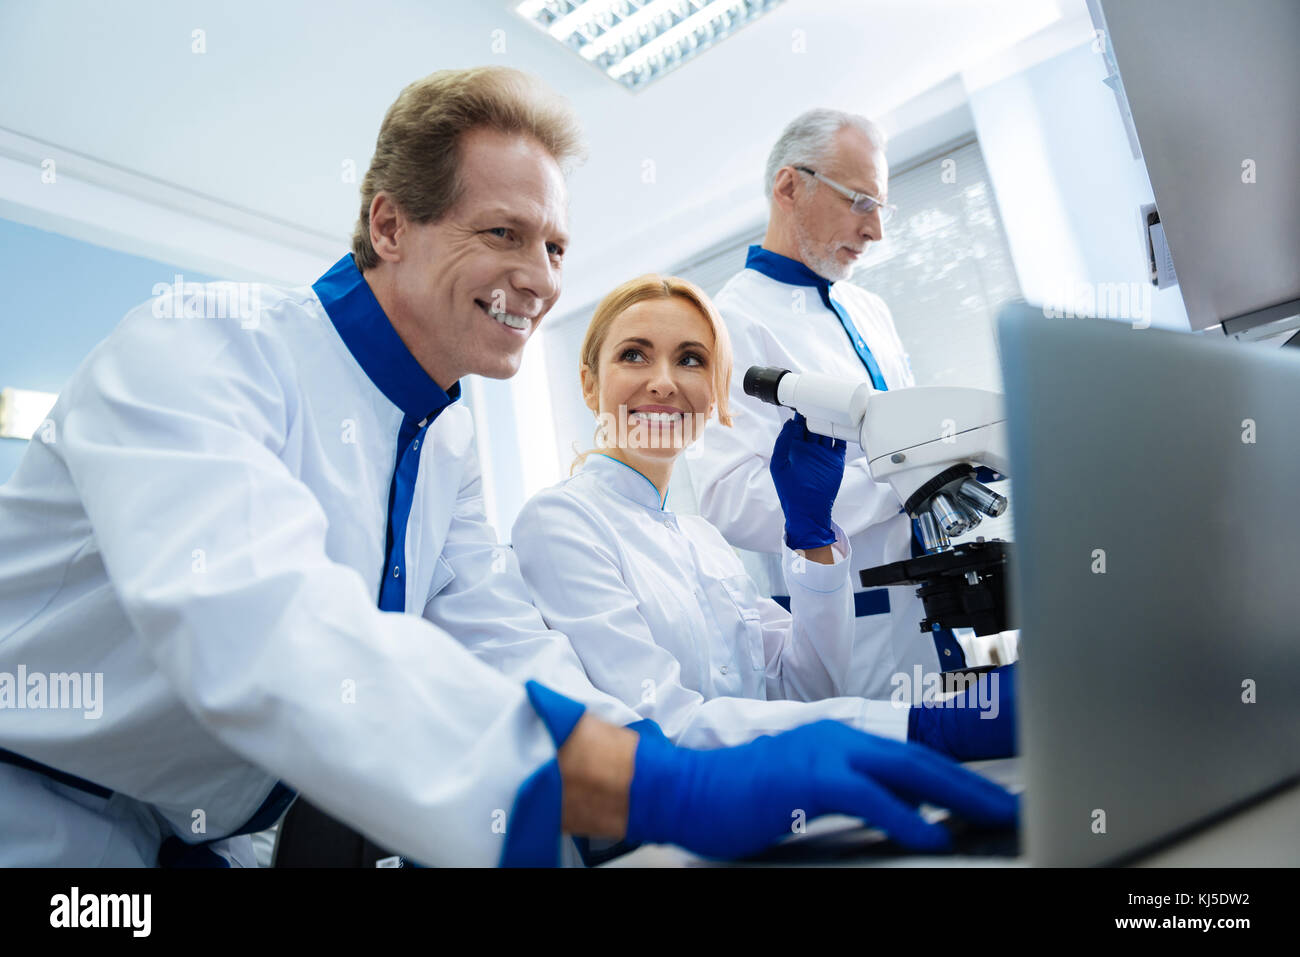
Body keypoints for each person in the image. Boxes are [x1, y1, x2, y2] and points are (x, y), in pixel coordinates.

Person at [0, 68, 1016, 866]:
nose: (537, 277)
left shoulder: (442, 444)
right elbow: (268, 640)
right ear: (389, 224)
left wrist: (912, 718)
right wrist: (667, 791)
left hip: (194, 833)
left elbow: (536, 683)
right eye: (502, 233)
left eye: (558, 246)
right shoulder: (201, 349)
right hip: (34, 813)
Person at [511, 274, 1015, 758]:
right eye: (633, 355)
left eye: (690, 360)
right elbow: (666, 728)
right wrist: (918, 727)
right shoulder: (560, 520)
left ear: (715, 395)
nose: (663, 383)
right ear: (590, 384)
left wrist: (811, 534)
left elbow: (806, 688)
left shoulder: (703, 541)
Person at [689, 108, 971, 701]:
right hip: (853, 635)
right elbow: (730, 501)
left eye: (881, 208)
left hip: (933, 613)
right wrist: (906, 481)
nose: (877, 232)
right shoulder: (728, 324)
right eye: (860, 202)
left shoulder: (871, 312)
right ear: (790, 187)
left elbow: (901, 443)